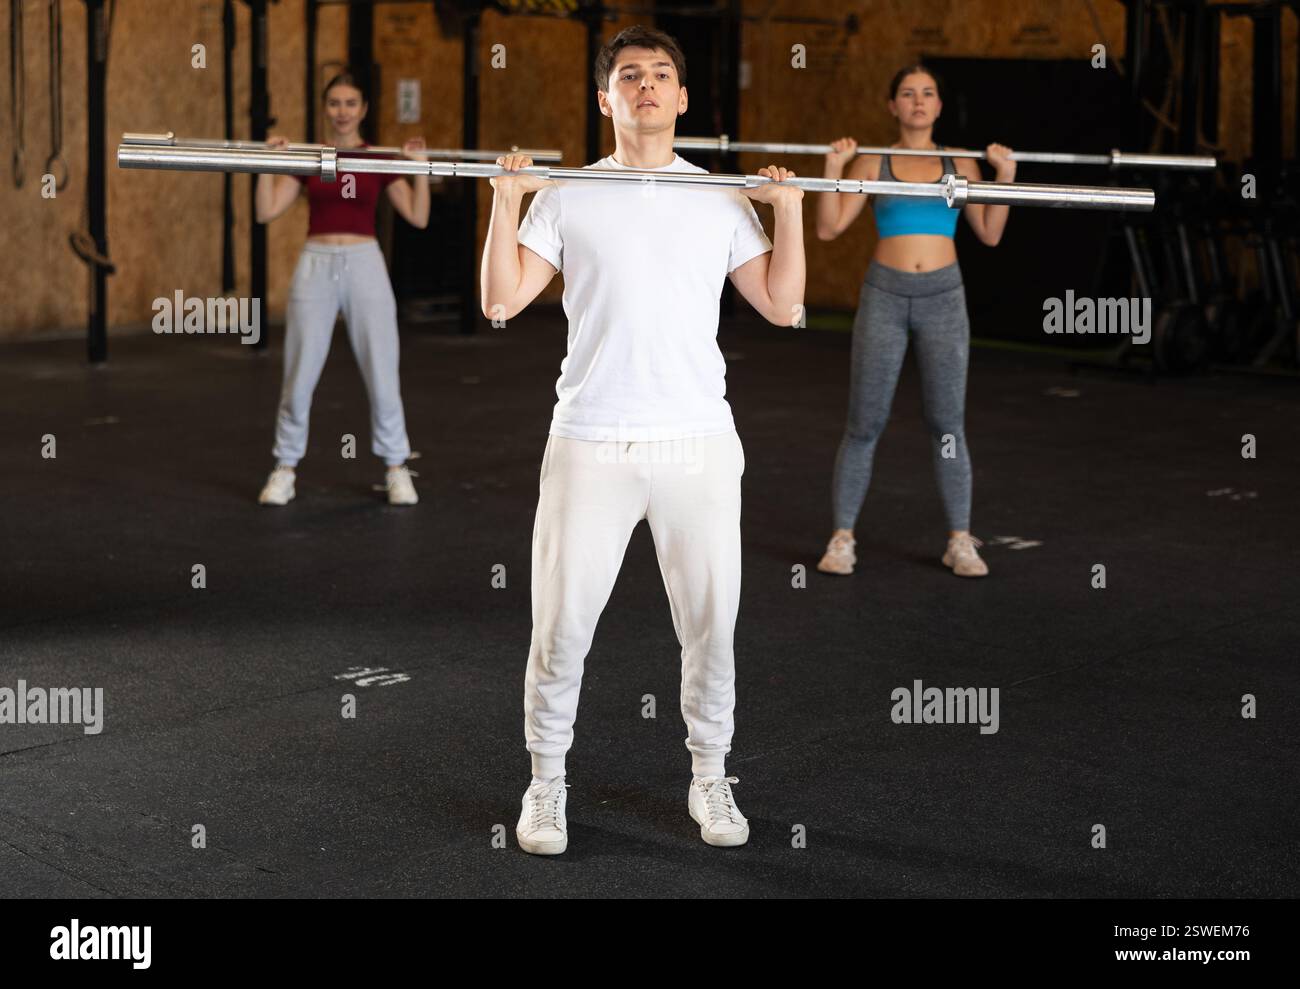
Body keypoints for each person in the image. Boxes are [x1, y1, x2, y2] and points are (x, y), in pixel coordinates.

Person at [481, 26, 805, 854]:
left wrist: (792, 213)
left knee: (711, 624)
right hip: (590, 438)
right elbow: (502, 302)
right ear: (606, 99)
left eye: (662, 75)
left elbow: (780, 305)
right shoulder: (567, 193)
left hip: (696, 439)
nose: (648, 86)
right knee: (559, 626)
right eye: (631, 76)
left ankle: (710, 775)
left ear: (684, 97)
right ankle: (546, 782)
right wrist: (506, 200)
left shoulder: (720, 198)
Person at [815, 64, 1016, 578]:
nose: (918, 101)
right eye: (907, 93)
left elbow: (991, 234)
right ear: (893, 106)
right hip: (885, 294)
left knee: (948, 424)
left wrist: (1006, 176)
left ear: (939, 106)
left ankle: (959, 541)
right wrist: (833, 168)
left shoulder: (962, 163)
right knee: (864, 422)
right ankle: (842, 538)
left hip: (944, 298)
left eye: (928, 93)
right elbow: (829, 228)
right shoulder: (872, 161)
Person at [253, 70, 429, 507]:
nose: (343, 111)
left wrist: (420, 169)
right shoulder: (312, 157)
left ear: (363, 109)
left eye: (351, 103)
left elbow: (419, 217)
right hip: (315, 264)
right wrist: (265, 164)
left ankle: (395, 468)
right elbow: (266, 211)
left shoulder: (380, 158)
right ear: (326, 109)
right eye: (335, 103)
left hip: (365, 264)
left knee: (383, 374)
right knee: (298, 376)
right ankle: (285, 468)